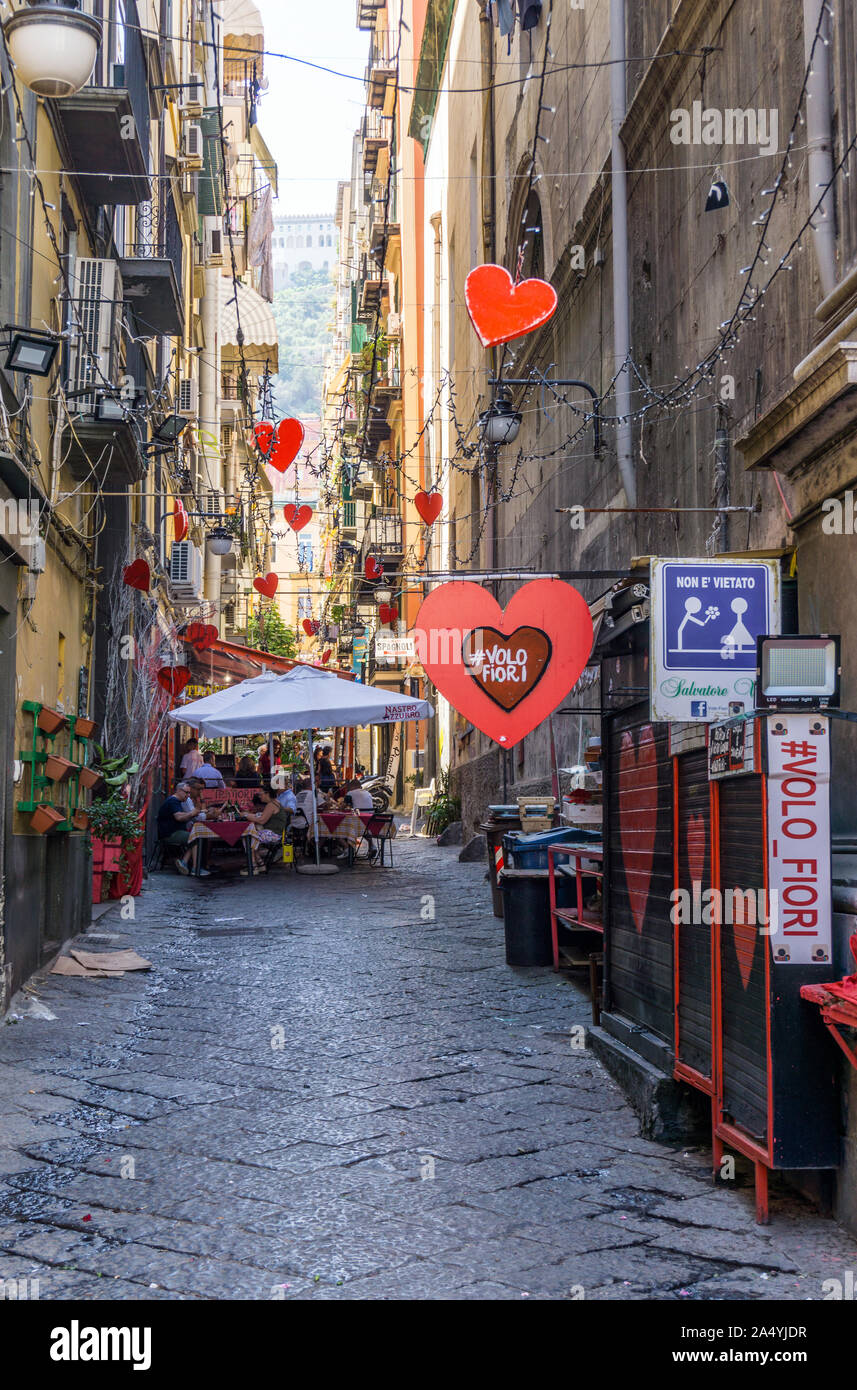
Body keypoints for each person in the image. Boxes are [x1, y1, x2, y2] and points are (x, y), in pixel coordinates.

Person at [157, 781, 209, 876]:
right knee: (196, 837)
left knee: (196, 836)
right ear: (178, 791)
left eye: (189, 793)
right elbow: (179, 817)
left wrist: (195, 813)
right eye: (186, 792)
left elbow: (180, 815)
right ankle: (195, 868)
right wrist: (192, 813)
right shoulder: (173, 801)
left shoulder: (176, 801)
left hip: (173, 832)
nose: (188, 795)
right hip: (170, 834)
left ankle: (184, 862)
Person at [241, 788, 292, 874]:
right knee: (251, 835)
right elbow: (261, 816)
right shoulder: (275, 803)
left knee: (248, 836)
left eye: (261, 794)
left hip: (274, 834)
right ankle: (260, 864)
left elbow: (261, 820)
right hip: (276, 833)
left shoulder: (271, 805)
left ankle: (253, 865)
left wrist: (246, 815)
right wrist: (249, 815)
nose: (259, 796)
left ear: (267, 794)